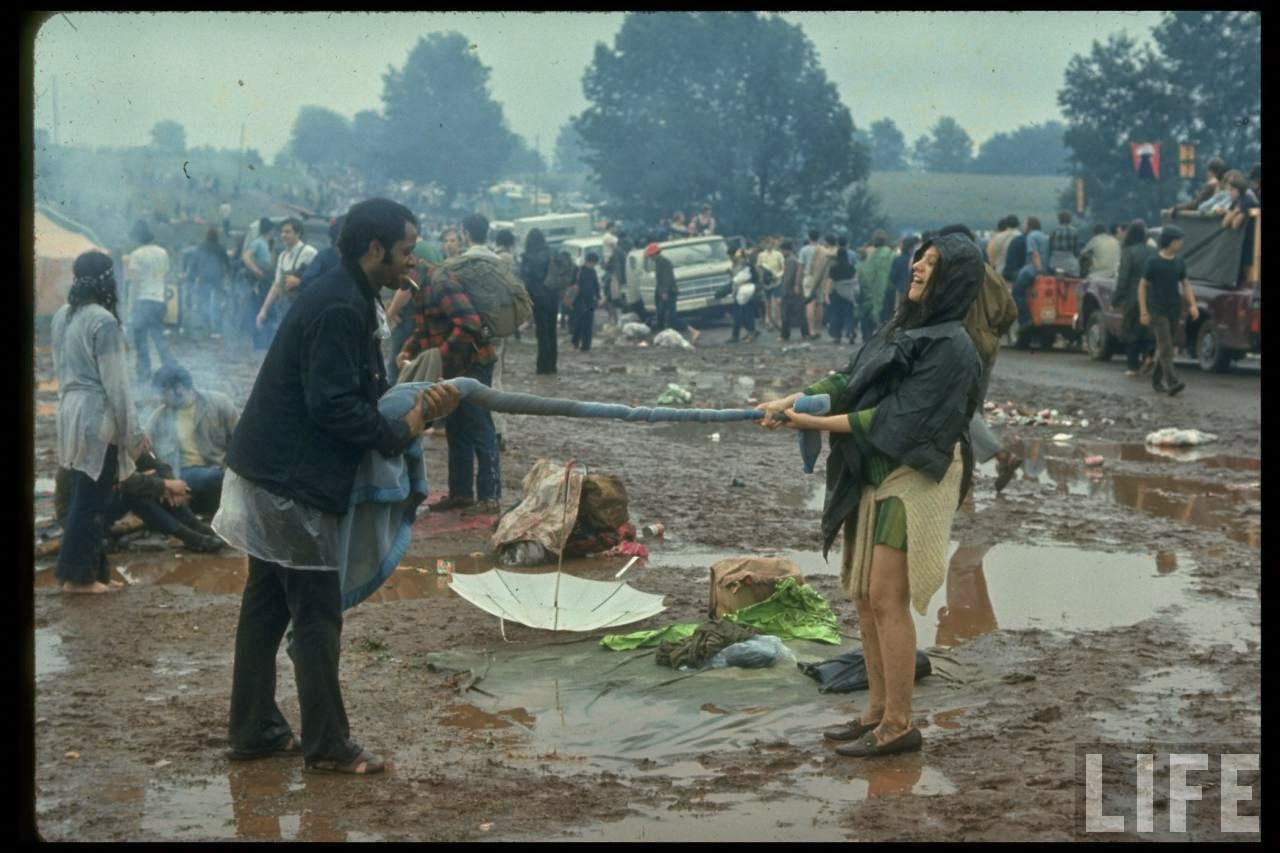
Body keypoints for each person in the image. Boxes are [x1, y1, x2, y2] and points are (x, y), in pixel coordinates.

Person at [215, 197, 460, 775]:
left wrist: (410, 409)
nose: (411, 262)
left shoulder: (346, 295)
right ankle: (327, 744)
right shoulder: (341, 307)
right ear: (373, 250)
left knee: (265, 609)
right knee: (316, 615)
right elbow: (334, 407)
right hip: (289, 486)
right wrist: (407, 426)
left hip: (269, 472)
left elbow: (346, 391)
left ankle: (253, 730)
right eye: (405, 251)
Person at [757, 233, 984, 758]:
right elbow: (850, 379)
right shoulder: (903, 325)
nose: (918, 269)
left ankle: (900, 725)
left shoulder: (952, 347)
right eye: (919, 260)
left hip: (916, 475)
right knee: (862, 597)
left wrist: (808, 420)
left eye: (932, 265)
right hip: (877, 469)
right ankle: (877, 712)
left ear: (953, 279)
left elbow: (892, 421)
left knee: (886, 599)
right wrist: (788, 400)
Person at [52, 251, 148, 593]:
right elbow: (118, 388)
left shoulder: (63, 315)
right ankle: (79, 579)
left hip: (69, 412)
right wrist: (134, 436)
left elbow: (61, 370)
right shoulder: (104, 322)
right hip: (95, 416)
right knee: (92, 500)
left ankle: (94, 572)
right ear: (107, 280)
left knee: (85, 492)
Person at [397, 215, 501, 514]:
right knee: (456, 427)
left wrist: (438, 355)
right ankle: (461, 493)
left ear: (410, 268)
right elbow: (422, 329)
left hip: (473, 363)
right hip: (453, 366)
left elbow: (469, 323)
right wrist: (407, 350)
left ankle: (490, 496)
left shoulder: (440, 283)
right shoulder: (420, 289)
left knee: (480, 426)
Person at [937, 224, 1021, 493]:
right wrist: (993, 335)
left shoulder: (953, 275)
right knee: (975, 411)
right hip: (987, 349)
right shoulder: (991, 274)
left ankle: (1001, 456)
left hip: (961, 349)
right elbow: (1010, 312)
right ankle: (966, 474)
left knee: (961, 410)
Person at [55, 449, 225, 554]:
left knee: (155, 482)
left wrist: (170, 485)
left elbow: (161, 465)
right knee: (137, 492)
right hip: (79, 521)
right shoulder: (91, 452)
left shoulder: (119, 447)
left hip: (100, 509)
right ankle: (189, 537)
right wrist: (165, 485)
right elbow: (130, 482)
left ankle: (196, 527)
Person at [145, 364, 240, 515]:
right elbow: (146, 451)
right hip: (179, 477)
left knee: (214, 478)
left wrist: (231, 472)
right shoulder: (158, 418)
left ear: (180, 388)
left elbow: (240, 441)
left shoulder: (219, 404)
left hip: (216, 473)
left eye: (164, 392)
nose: (160, 398)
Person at [1138, 225, 1199, 396]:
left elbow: (1185, 284)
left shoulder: (1179, 262)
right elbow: (1142, 286)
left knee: (1165, 346)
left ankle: (1157, 381)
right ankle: (1173, 382)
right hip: (1157, 311)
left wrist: (1193, 305)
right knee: (1166, 348)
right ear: (1170, 241)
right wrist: (1144, 311)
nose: (1181, 243)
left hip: (1174, 309)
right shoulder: (1153, 262)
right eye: (1178, 240)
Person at [122, 219, 173, 381]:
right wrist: (164, 301)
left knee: (141, 341)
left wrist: (130, 306)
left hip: (143, 301)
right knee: (159, 339)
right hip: (158, 301)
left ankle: (144, 375)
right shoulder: (162, 252)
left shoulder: (136, 255)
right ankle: (171, 370)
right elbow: (164, 279)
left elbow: (135, 283)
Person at [256, 217, 318, 338]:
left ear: (298, 233)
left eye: (288, 232)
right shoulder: (282, 256)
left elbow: (321, 280)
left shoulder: (309, 252)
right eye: (282, 232)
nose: (283, 235)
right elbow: (276, 285)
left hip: (304, 311)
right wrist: (263, 310)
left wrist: (300, 282)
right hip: (284, 309)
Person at [1113, 219, 1156, 376]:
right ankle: (1149, 355)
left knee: (1131, 330)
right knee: (1147, 329)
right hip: (1152, 295)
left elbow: (1123, 278)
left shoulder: (1128, 251)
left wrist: (1116, 298)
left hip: (1133, 294)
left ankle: (1132, 367)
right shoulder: (1153, 251)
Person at [520, 228, 557, 375]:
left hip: (538, 298)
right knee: (552, 331)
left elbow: (526, 279)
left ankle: (543, 366)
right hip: (553, 297)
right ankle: (553, 365)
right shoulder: (550, 254)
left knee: (542, 333)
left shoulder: (528, 257)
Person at [648, 242, 700, 343]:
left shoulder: (664, 262)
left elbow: (667, 278)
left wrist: (665, 292)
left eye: (651, 256)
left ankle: (693, 331)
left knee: (672, 317)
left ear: (655, 254)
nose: (650, 258)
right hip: (663, 293)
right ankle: (667, 338)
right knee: (662, 316)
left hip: (669, 293)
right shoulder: (659, 263)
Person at [188, 228, 231, 337]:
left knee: (203, 301)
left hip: (203, 278)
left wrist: (192, 276)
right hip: (217, 279)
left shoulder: (201, 246)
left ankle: (206, 324)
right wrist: (229, 274)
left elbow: (194, 262)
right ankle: (215, 328)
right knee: (215, 304)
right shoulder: (220, 248)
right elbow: (227, 263)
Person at [240, 218, 276, 347]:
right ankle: (259, 341)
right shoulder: (258, 242)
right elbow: (246, 256)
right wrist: (256, 270)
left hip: (266, 280)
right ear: (269, 230)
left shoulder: (266, 243)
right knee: (258, 308)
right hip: (259, 282)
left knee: (264, 308)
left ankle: (265, 340)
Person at [857, 230, 893, 340]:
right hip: (887, 289)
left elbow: (864, 273)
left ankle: (867, 337)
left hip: (869, 290)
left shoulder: (870, 255)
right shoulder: (891, 253)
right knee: (886, 315)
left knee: (867, 314)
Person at [778, 239, 810, 342]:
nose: (782, 253)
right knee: (800, 313)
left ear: (786, 250)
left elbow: (788, 278)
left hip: (790, 292)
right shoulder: (794, 259)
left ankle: (785, 335)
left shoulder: (790, 260)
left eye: (782, 251)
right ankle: (805, 334)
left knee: (786, 314)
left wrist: (783, 292)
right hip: (795, 291)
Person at [827, 236, 858, 345]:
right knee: (849, 314)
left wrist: (827, 294)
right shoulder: (851, 267)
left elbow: (830, 281)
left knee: (836, 314)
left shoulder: (833, 267)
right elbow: (854, 280)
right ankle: (850, 333)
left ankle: (837, 336)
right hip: (849, 294)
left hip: (837, 293)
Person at [571, 252, 603, 351]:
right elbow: (572, 284)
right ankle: (575, 341)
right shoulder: (578, 270)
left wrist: (598, 297)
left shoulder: (593, 271)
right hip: (579, 300)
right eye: (592, 263)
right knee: (579, 322)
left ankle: (586, 346)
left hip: (590, 300)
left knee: (588, 323)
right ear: (587, 262)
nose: (593, 265)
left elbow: (596, 285)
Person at [728, 248, 759, 344]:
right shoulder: (737, 266)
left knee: (745, 315)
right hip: (739, 294)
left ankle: (751, 333)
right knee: (740, 315)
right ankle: (741, 334)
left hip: (746, 294)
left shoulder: (747, 267)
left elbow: (753, 279)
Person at [756, 237, 785, 331]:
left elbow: (783, 268)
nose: (769, 245)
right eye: (767, 243)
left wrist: (778, 275)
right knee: (767, 303)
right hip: (766, 282)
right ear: (765, 244)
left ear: (773, 244)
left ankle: (779, 321)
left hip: (777, 281)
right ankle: (769, 322)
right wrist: (762, 278)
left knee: (778, 302)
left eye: (771, 243)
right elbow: (758, 268)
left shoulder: (778, 254)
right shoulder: (761, 255)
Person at [1047, 211, 1081, 276]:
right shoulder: (1075, 231)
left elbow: (1049, 249)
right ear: (1070, 220)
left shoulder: (1053, 231)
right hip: (1070, 264)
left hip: (1054, 263)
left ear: (1059, 219)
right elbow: (1076, 251)